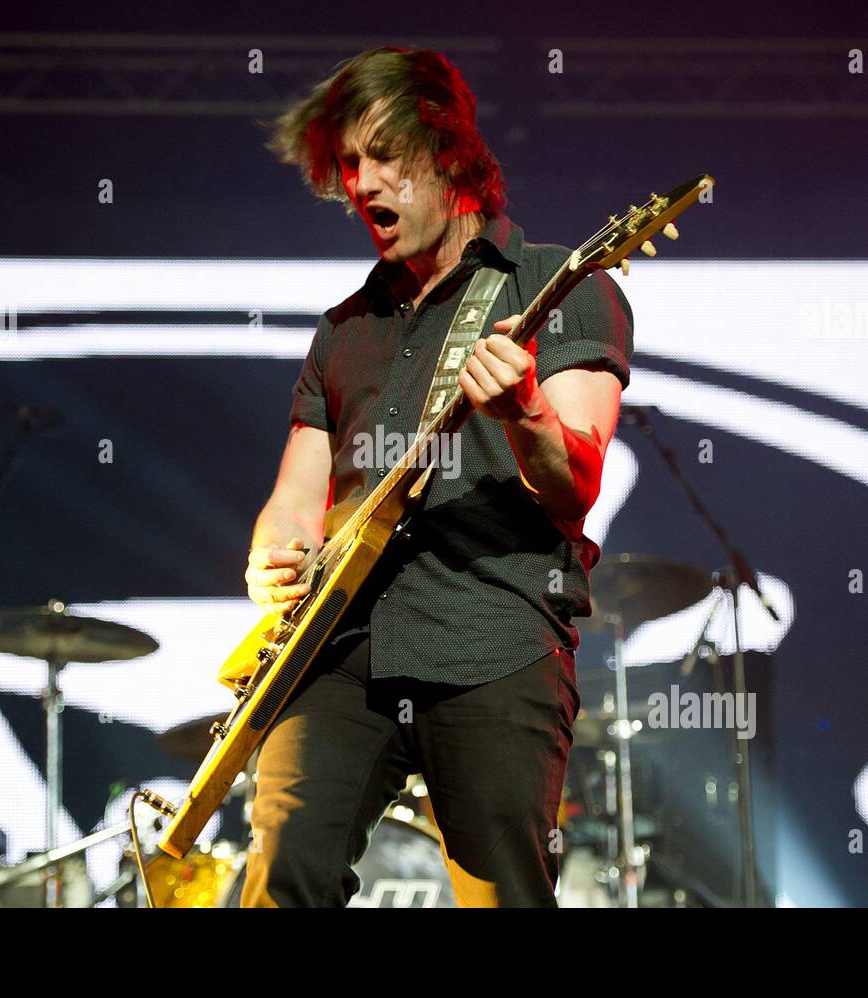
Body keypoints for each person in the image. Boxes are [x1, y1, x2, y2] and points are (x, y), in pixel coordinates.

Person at [241, 44, 633, 907]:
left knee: (505, 898)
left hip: (492, 635)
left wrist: (525, 413)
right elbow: (295, 504)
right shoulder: (344, 328)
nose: (361, 183)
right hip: (342, 652)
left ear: (449, 152)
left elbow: (577, 482)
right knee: (283, 870)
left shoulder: (557, 283)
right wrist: (272, 553)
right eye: (348, 164)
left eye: (384, 155)